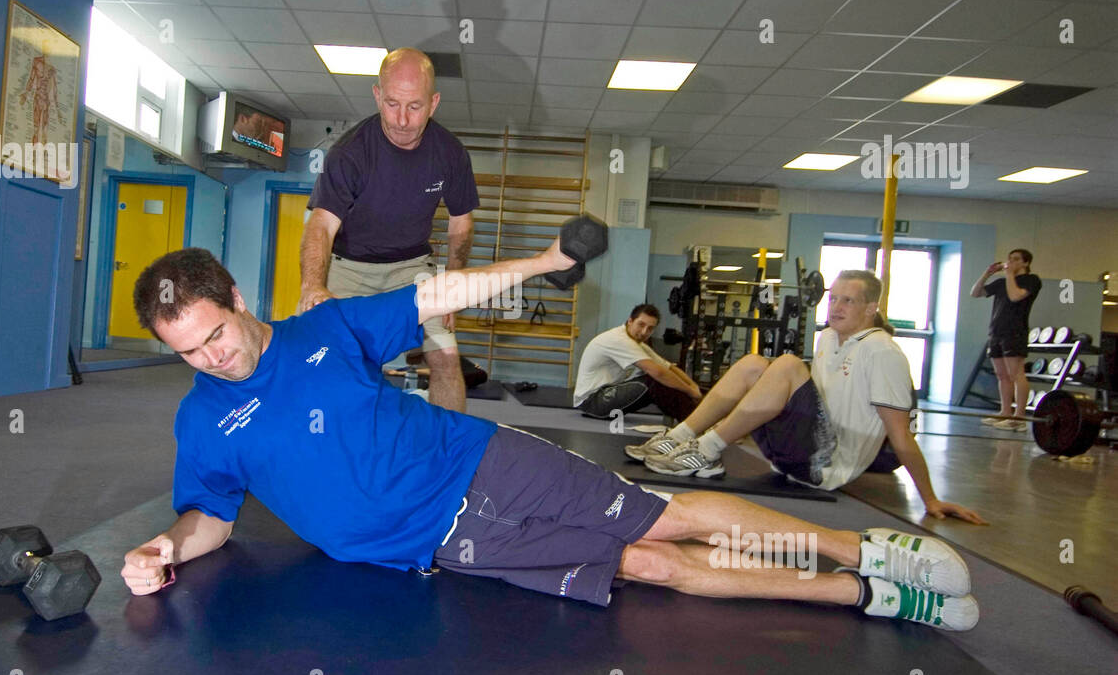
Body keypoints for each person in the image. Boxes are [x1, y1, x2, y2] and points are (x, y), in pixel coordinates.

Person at [118, 247, 981, 631]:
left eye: (214, 335)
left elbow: (436, 293)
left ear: (233, 295)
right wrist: (164, 544)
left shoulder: (328, 329)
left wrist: (538, 265)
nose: (212, 360)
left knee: (664, 520)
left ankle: (863, 550)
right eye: (188, 352)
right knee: (650, 569)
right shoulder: (201, 416)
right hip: (446, 545)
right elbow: (211, 515)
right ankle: (861, 598)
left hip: (481, 465)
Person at [627, 270, 987, 525]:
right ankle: (679, 439)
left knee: (785, 363)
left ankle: (705, 452)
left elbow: (900, 434)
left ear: (870, 308)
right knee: (754, 363)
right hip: (792, 457)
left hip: (824, 466)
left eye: (849, 300)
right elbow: (796, 399)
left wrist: (930, 499)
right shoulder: (829, 338)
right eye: (834, 298)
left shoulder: (882, 351)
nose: (837, 306)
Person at [296, 47, 478, 411]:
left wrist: (453, 284)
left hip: (411, 267)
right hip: (349, 266)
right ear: (377, 95)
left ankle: (451, 449)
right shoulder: (349, 154)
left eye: (414, 107)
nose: (401, 120)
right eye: (392, 104)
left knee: (444, 355)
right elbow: (321, 225)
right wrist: (313, 284)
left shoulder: (450, 153)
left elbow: (461, 222)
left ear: (434, 103)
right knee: (319, 359)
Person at [574, 304, 701, 422]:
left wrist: (693, 387)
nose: (644, 332)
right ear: (630, 321)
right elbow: (658, 372)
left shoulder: (635, 343)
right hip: (592, 403)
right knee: (654, 379)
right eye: (641, 325)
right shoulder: (619, 340)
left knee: (666, 378)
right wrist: (690, 391)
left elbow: (669, 368)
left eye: (650, 328)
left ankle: (695, 419)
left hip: (603, 397)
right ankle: (694, 422)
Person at [971, 249, 1041, 430]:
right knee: (1002, 375)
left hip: (1015, 331)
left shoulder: (1032, 280)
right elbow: (975, 293)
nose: (1011, 262)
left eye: (1016, 259)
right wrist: (986, 274)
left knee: (1016, 374)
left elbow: (1015, 296)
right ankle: (1005, 412)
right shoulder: (1001, 282)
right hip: (996, 331)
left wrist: (1010, 274)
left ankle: (1020, 417)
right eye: (1009, 259)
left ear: (1025, 263)